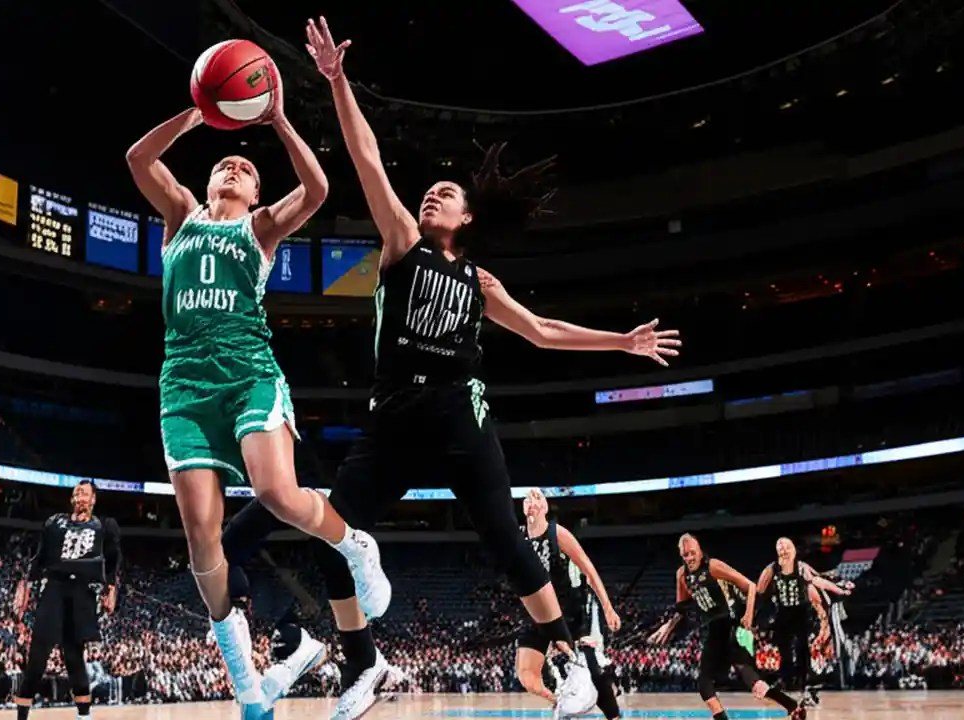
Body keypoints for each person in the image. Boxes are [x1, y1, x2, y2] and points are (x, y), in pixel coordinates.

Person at [218, 17, 683, 720]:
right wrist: (338, 83)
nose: (433, 194)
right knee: (330, 540)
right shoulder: (404, 243)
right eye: (430, 190)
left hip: (458, 408)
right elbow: (367, 159)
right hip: (395, 414)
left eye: (446, 192)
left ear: (466, 219)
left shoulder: (481, 282)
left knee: (503, 532)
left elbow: (542, 331)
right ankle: (363, 664)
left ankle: (569, 664)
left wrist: (622, 343)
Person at [125, 89, 389, 717]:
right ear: (211, 180)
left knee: (275, 491)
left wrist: (277, 120)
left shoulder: (261, 225)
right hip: (183, 385)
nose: (234, 167)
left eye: (247, 168)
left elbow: (318, 190)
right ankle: (243, 670)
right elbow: (138, 158)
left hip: (247, 370)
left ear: (254, 191)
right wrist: (194, 112)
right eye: (226, 164)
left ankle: (356, 546)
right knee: (200, 541)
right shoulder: (181, 214)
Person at [649, 534, 805, 720]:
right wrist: (666, 627)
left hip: (731, 624)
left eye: (692, 553)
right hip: (714, 627)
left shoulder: (713, 566)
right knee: (745, 682)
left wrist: (748, 615)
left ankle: (791, 705)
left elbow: (750, 586)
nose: (689, 558)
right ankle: (792, 706)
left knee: (716, 681)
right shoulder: (682, 575)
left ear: (699, 551)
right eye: (685, 555)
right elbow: (681, 608)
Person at [12, 481, 120, 720]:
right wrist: (25, 589)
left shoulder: (104, 526)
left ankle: (84, 715)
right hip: (54, 589)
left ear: (93, 500)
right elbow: (39, 559)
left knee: (74, 658)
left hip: (83, 593)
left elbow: (112, 561)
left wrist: (111, 589)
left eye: (85, 493)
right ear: (72, 499)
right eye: (76, 493)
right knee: (37, 658)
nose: (80, 496)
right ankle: (21, 716)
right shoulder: (55, 523)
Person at [514, 490, 622, 718]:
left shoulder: (557, 533)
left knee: (594, 670)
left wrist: (607, 607)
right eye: (527, 499)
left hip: (565, 612)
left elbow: (589, 571)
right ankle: (560, 700)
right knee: (526, 676)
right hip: (534, 613)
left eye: (537, 498)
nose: (531, 502)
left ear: (545, 507)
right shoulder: (518, 538)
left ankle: (614, 715)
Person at [756, 537, 844, 705]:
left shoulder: (801, 567)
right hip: (783, 611)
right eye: (780, 547)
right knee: (784, 651)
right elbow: (759, 588)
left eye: (786, 547)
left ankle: (805, 688)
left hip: (801, 611)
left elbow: (816, 580)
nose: (783, 550)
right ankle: (787, 685)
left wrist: (836, 588)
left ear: (793, 550)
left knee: (802, 649)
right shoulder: (772, 568)